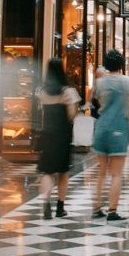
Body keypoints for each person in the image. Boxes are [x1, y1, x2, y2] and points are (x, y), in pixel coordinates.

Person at [91, 49, 129, 222]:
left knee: (101, 173)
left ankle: (96, 208)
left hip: (101, 128)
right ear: (121, 65)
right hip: (118, 128)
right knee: (116, 174)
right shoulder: (127, 82)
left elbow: (95, 100)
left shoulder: (99, 83)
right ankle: (112, 211)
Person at [36, 57, 80, 219]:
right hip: (62, 135)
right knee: (63, 172)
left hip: (47, 134)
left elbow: (41, 112)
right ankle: (60, 207)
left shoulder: (42, 91)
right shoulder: (68, 92)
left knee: (48, 171)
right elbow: (71, 115)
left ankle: (46, 204)